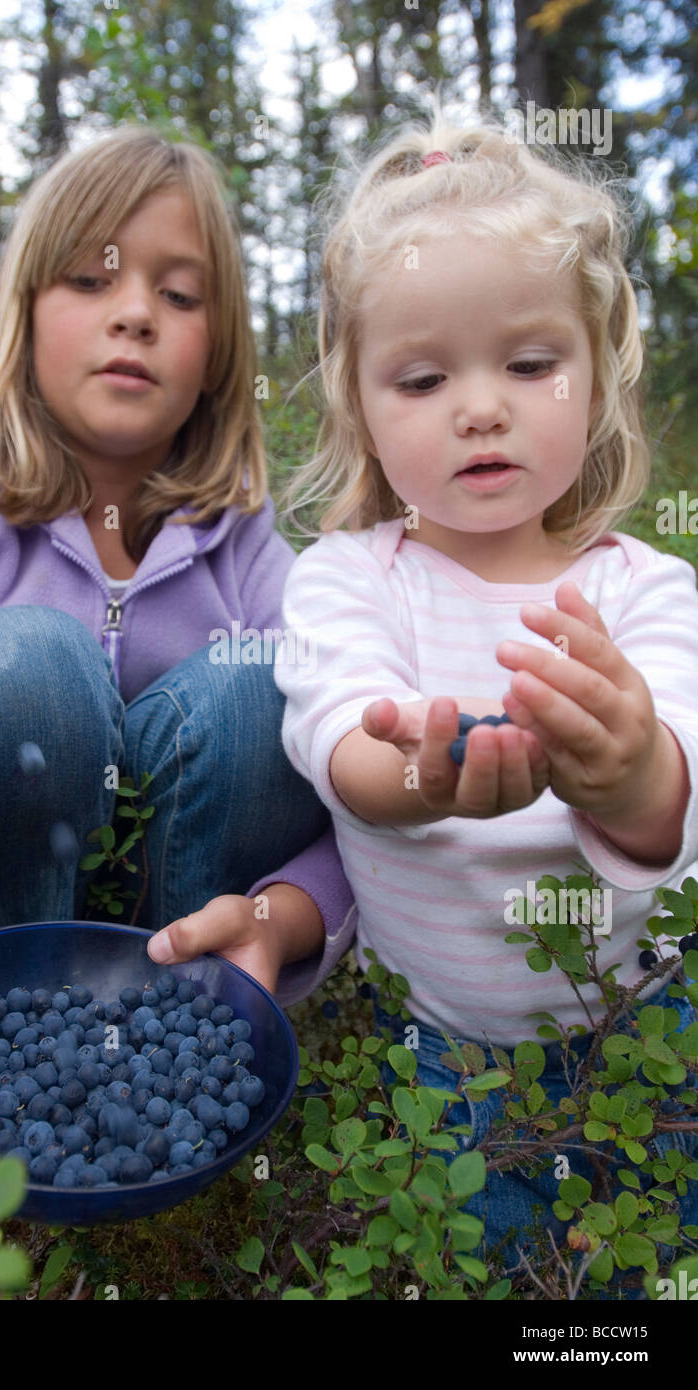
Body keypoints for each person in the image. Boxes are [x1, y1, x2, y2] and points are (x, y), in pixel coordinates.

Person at [267, 106, 698, 1275]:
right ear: (359, 405)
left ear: (597, 373)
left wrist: (633, 768)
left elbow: (677, 798)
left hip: (654, 1022)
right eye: (422, 376)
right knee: (502, 1266)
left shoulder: (647, 589)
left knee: (660, 1250)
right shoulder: (351, 577)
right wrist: (419, 773)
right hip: (445, 1048)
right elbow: (340, 739)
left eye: (528, 362)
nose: (481, 405)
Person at [0, 124, 357, 1010]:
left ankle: (182, 1032)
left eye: (181, 294)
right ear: (21, 310)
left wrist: (289, 911)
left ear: (219, 349)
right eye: (89, 279)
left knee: (265, 687)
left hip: (184, 930)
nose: (137, 312)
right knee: (28, 665)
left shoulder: (248, 546)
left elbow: (358, 774)